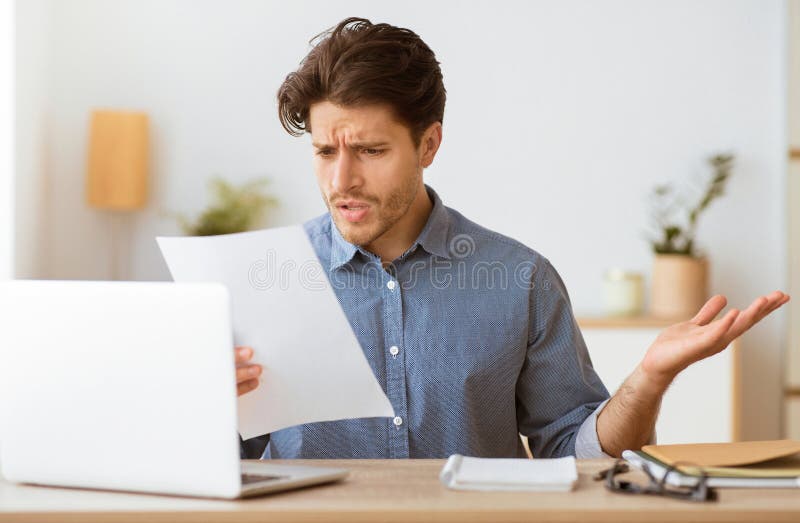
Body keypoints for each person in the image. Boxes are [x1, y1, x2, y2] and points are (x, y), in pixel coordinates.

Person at [237, 17, 790, 460]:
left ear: (429, 145)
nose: (341, 181)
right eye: (325, 152)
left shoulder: (519, 279)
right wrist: (206, 405)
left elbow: (580, 454)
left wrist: (649, 379)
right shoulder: (264, 278)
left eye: (371, 151)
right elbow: (223, 466)